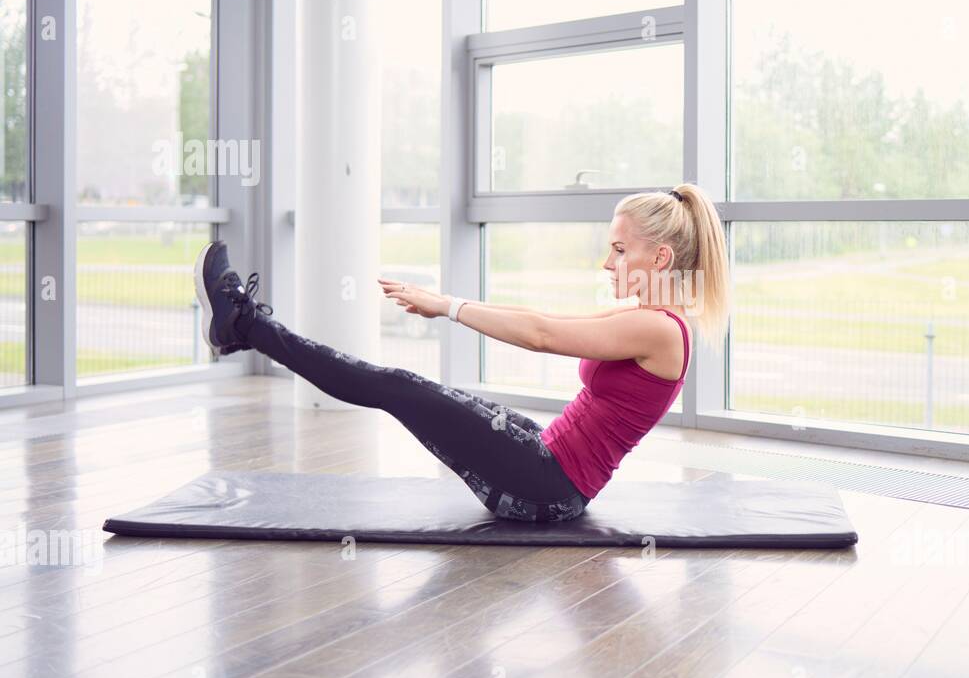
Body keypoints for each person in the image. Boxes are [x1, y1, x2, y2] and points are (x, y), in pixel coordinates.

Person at [194, 185, 730, 523]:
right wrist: (448, 305)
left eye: (619, 249)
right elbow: (548, 321)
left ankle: (245, 327)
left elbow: (542, 334)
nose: (607, 263)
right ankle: (244, 329)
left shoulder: (659, 331)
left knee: (399, 386)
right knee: (418, 391)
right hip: (547, 461)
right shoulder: (646, 319)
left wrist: (448, 306)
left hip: (549, 488)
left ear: (660, 257)